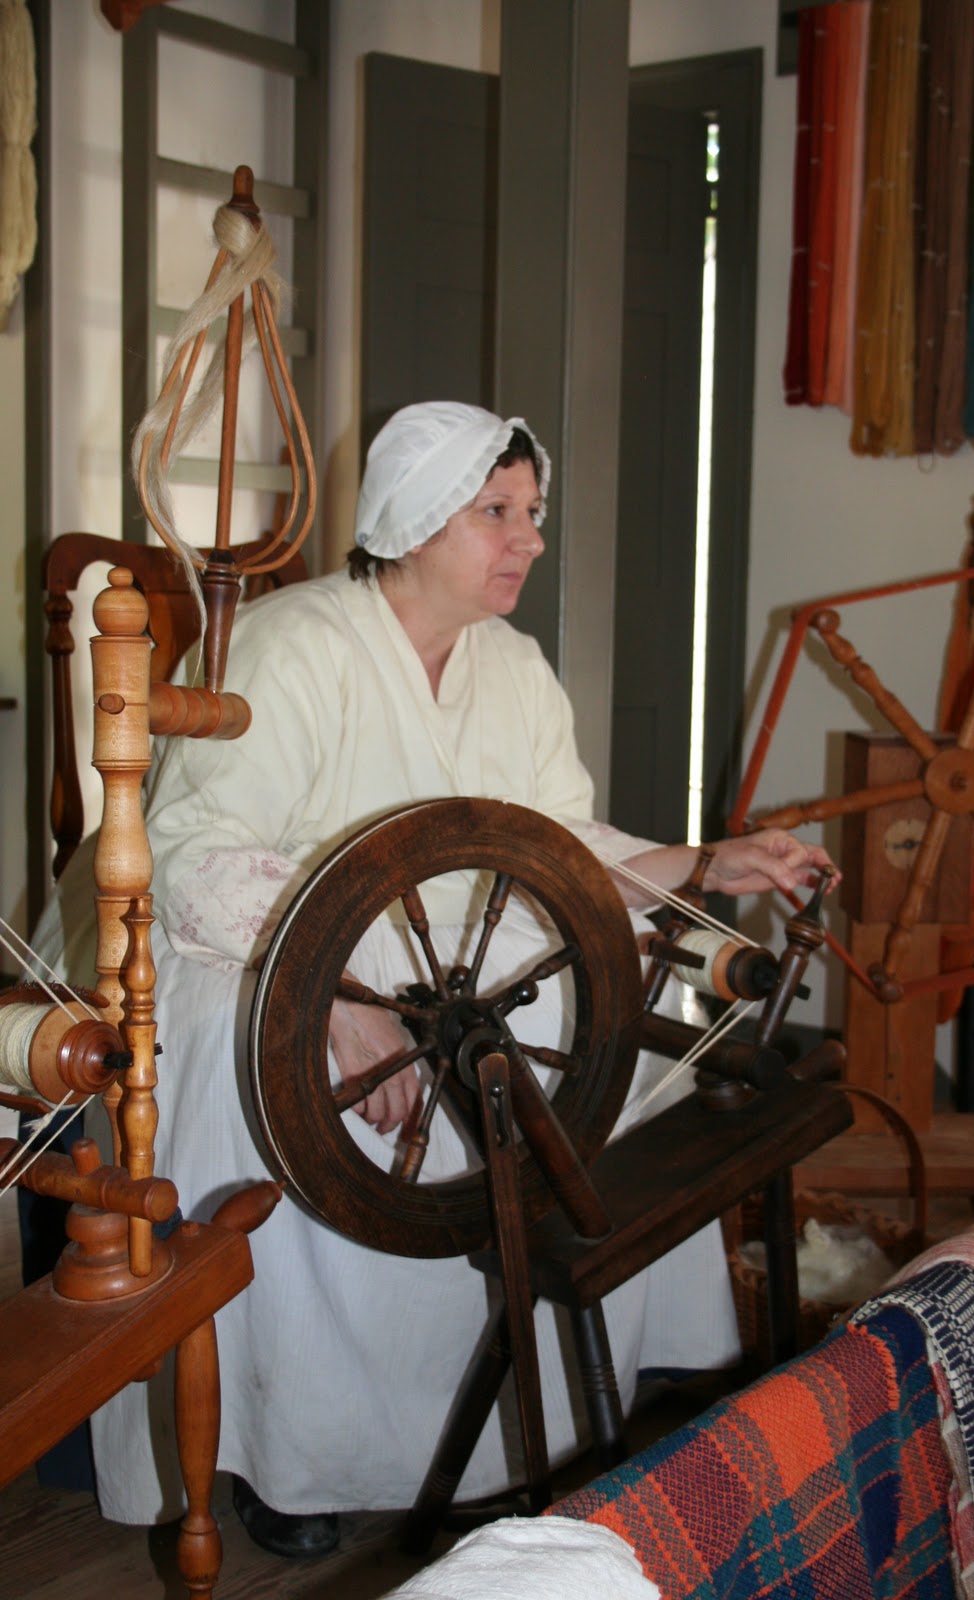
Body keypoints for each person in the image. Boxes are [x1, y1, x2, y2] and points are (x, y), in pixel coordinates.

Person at [35, 401, 835, 1558]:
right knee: (274, 1060)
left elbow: (560, 847)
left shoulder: (513, 668)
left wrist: (709, 861)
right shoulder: (291, 643)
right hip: (245, 940)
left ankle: (545, 1418)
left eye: (532, 514)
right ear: (412, 524)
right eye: (496, 513)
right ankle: (290, 1452)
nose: (529, 539)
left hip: (430, 942)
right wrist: (342, 1002)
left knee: (597, 989)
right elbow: (194, 861)